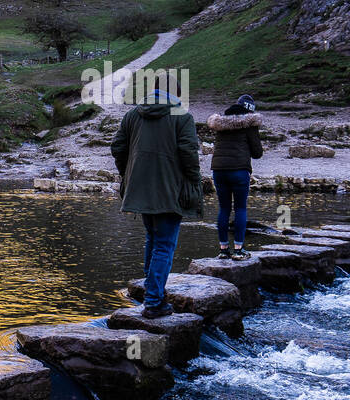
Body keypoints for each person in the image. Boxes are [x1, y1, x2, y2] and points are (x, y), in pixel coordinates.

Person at [111, 89, 204, 319]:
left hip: (140, 189)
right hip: (170, 189)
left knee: (152, 239)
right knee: (164, 244)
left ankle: (155, 295)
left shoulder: (133, 115)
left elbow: (117, 147)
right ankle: (153, 302)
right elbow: (189, 152)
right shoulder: (182, 116)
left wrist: (129, 172)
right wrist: (193, 180)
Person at [206, 93, 263, 259]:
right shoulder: (250, 125)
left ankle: (223, 249)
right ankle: (238, 249)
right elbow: (257, 153)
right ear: (250, 111)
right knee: (240, 208)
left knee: (224, 208)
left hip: (219, 170)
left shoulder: (221, 122)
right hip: (239, 170)